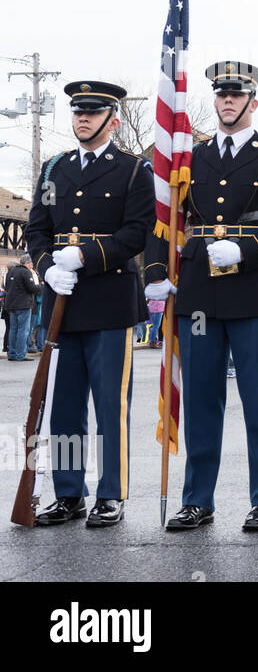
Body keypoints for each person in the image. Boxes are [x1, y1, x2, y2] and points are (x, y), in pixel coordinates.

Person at [147, 61, 258, 532]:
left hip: (255, 292)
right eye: (222, 95)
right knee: (199, 400)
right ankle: (197, 499)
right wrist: (158, 271)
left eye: (237, 95)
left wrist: (245, 247)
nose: (229, 102)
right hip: (199, 294)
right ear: (214, 101)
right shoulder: (187, 158)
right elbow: (165, 217)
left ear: (252, 102)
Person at [25, 80, 154, 527]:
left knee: (110, 405)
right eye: (78, 111)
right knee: (63, 407)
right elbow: (37, 229)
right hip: (62, 300)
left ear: (113, 119)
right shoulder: (53, 169)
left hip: (110, 300)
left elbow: (137, 232)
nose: (82, 118)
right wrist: (46, 265)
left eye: (92, 112)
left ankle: (111, 493)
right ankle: (68, 493)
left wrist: (84, 256)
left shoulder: (135, 170)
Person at [4, 253, 38, 361]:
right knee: (23, 330)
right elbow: (32, 288)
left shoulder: (11, 272)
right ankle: (20, 354)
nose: (32, 265)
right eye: (31, 263)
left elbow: (6, 287)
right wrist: (39, 285)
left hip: (11, 305)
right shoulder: (25, 272)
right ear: (26, 263)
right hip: (23, 305)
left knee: (13, 329)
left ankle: (12, 354)